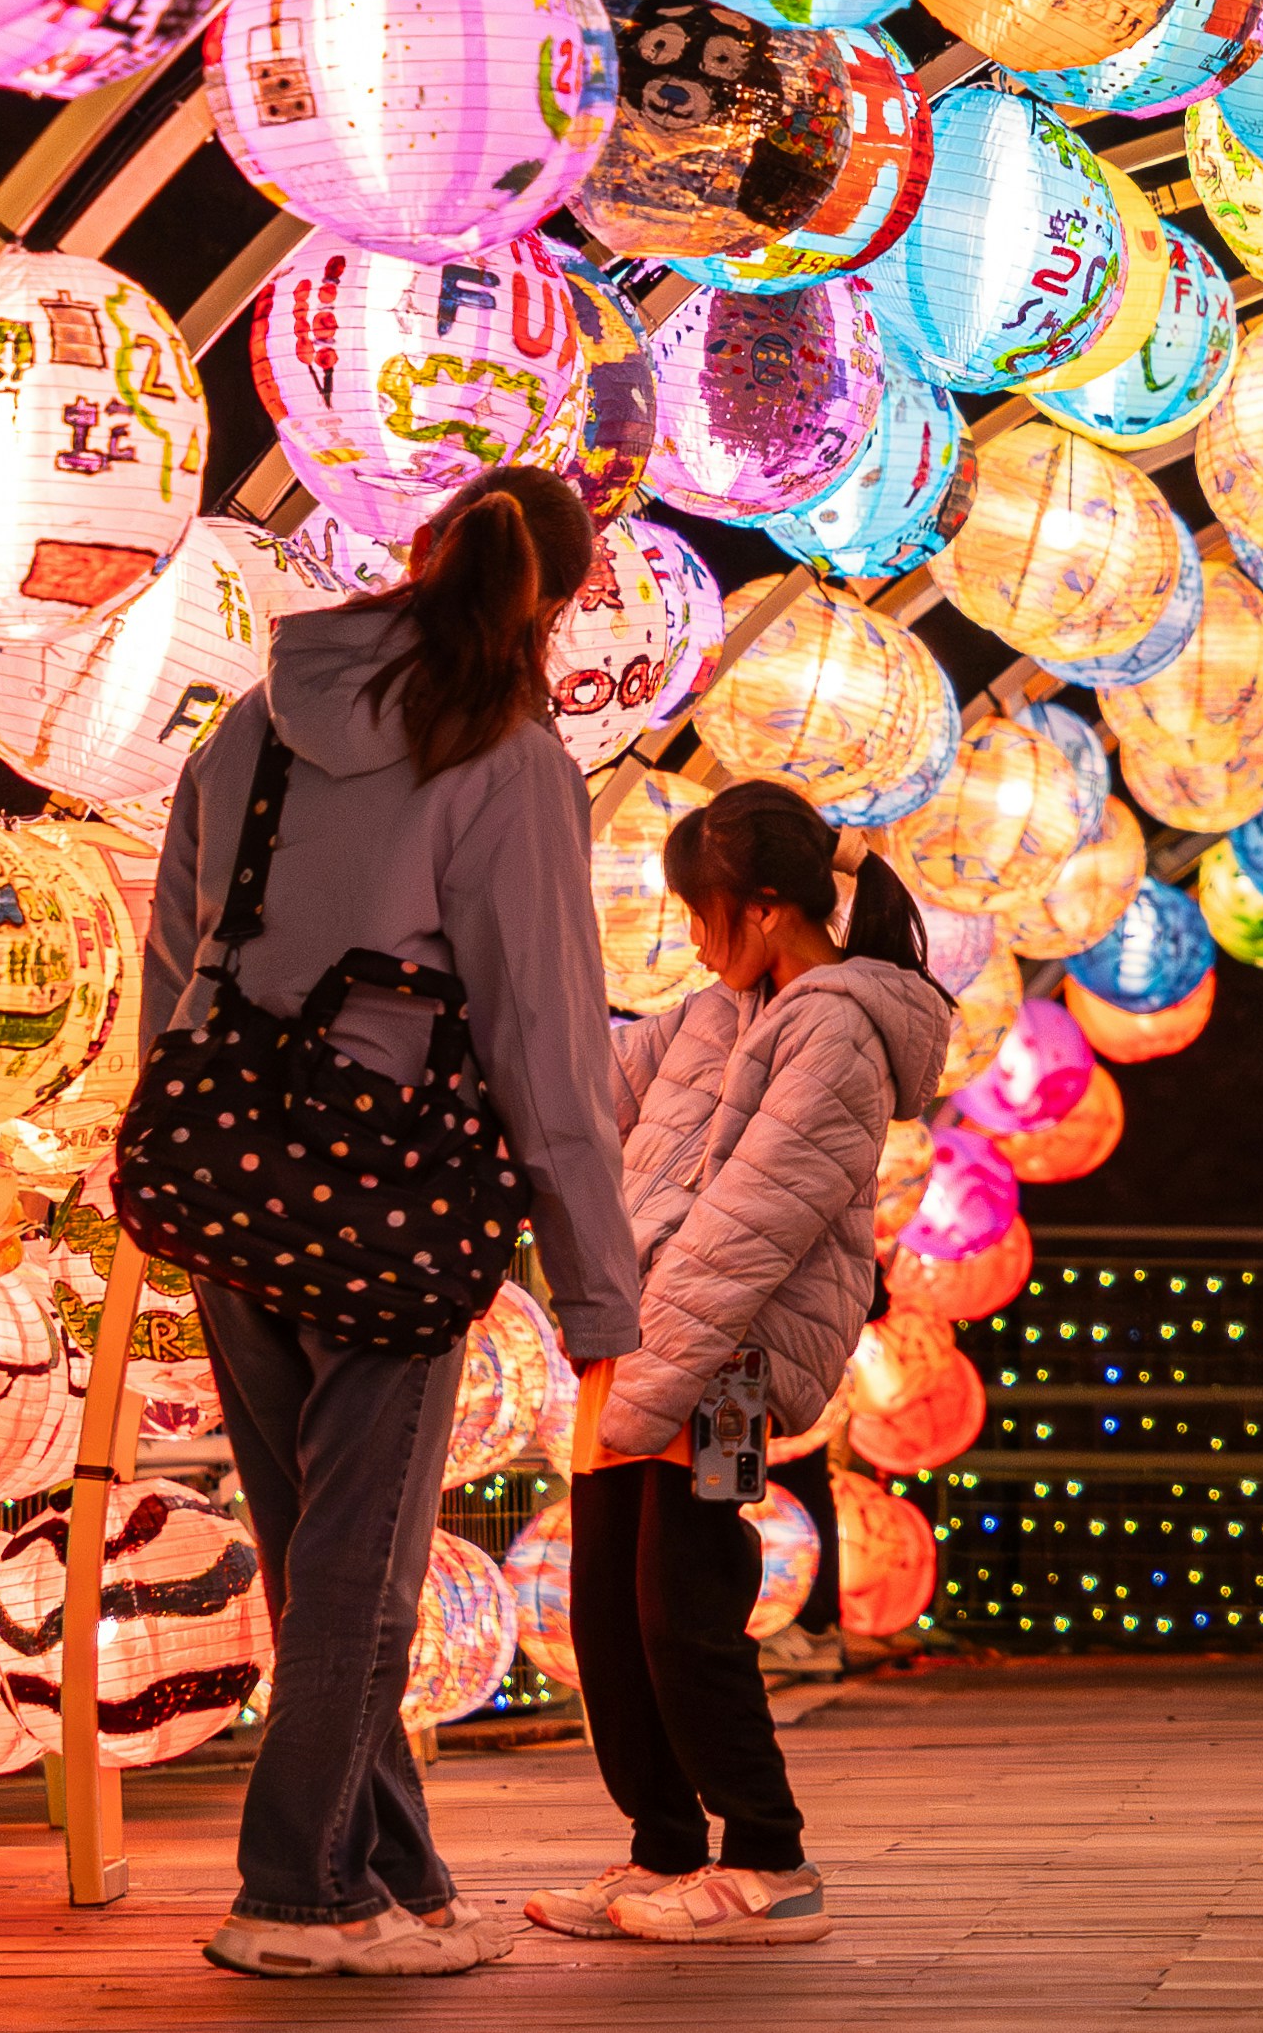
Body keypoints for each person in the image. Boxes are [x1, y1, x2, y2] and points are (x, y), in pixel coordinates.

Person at [142, 464, 640, 1982]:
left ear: (411, 554)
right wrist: (599, 1296)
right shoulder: (506, 753)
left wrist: (182, 1130)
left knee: (323, 1556)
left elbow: (176, 951)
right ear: (552, 602)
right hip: (395, 1193)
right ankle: (292, 1895)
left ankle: (396, 1876)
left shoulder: (252, 720)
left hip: (232, 1169)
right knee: (364, 1567)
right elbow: (547, 1035)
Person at [527, 785, 949, 1946]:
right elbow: (578, 1110)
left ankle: (771, 1857)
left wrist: (652, 1365)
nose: (694, 937)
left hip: (728, 1375)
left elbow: (754, 1218)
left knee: (684, 1606)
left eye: (703, 912)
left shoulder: (839, 1027)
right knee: (607, 1612)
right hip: (644, 1352)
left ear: (764, 911)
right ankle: (663, 1851)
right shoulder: (711, 1016)